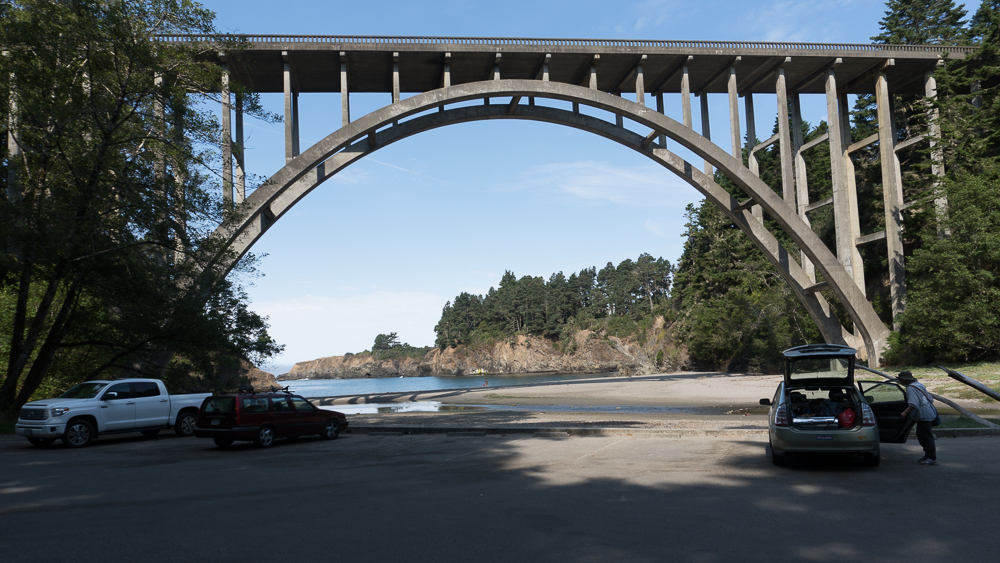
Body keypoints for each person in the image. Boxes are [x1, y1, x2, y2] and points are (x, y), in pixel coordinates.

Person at [898, 371, 938, 466]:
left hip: (924, 414)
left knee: (926, 437)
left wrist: (904, 412)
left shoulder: (911, 388)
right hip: (928, 412)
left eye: (900, 379)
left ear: (904, 380)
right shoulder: (918, 385)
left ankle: (931, 458)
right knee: (922, 435)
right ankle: (928, 455)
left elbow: (913, 404)